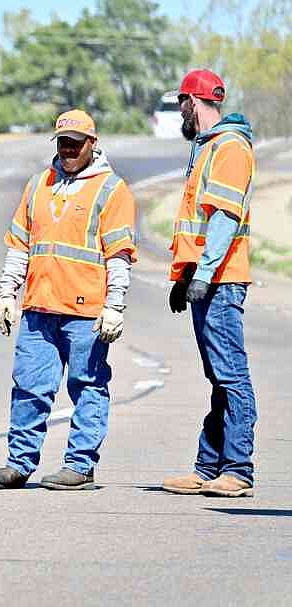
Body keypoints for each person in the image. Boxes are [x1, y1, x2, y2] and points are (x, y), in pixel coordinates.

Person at [0, 109, 138, 491]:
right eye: (63, 142)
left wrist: (115, 305)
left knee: (87, 386)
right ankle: (19, 464)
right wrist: (7, 292)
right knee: (29, 387)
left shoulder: (111, 189)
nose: (69, 149)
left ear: (93, 144)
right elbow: (20, 245)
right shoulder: (39, 185)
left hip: (86, 313)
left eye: (76, 143)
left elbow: (118, 253)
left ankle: (80, 466)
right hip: (39, 308)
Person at [162, 69, 257, 498]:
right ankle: (208, 467)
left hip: (220, 279)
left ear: (192, 102)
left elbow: (224, 217)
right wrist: (184, 277)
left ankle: (237, 470)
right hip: (205, 278)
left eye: (181, 102)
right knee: (220, 376)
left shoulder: (229, 147)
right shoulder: (207, 148)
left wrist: (202, 274)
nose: (180, 110)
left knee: (232, 375)